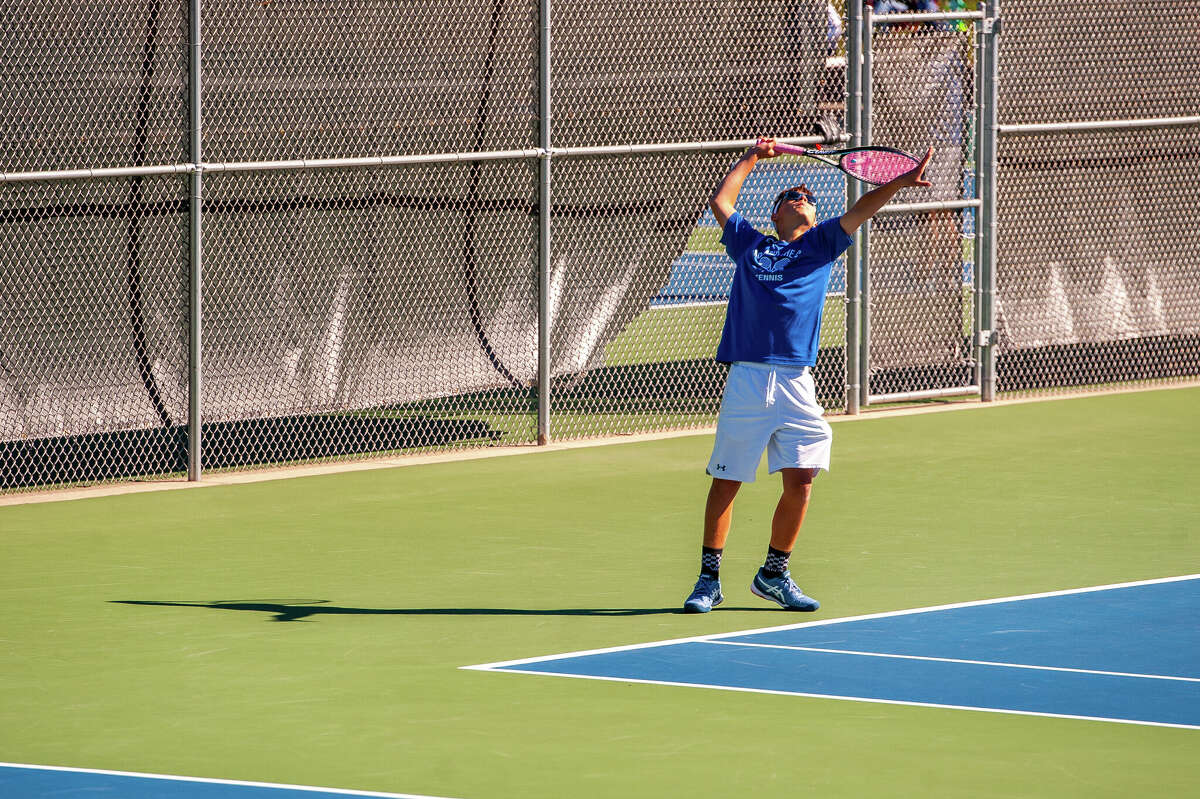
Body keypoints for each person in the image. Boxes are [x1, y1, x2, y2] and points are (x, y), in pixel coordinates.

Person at [683, 137, 932, 613]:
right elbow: (722, 201)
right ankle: (708, 580)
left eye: (808, 199)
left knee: (802, 480)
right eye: (790, 198)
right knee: (727, 480)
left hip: (798, 383)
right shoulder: (751, 247)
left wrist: (899, 181)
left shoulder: (822, 245)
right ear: (775, 217)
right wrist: (754, 158)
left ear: (814, 219)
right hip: (749, 380)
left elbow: (863, 207)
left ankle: (774, 573)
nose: (801, 199)